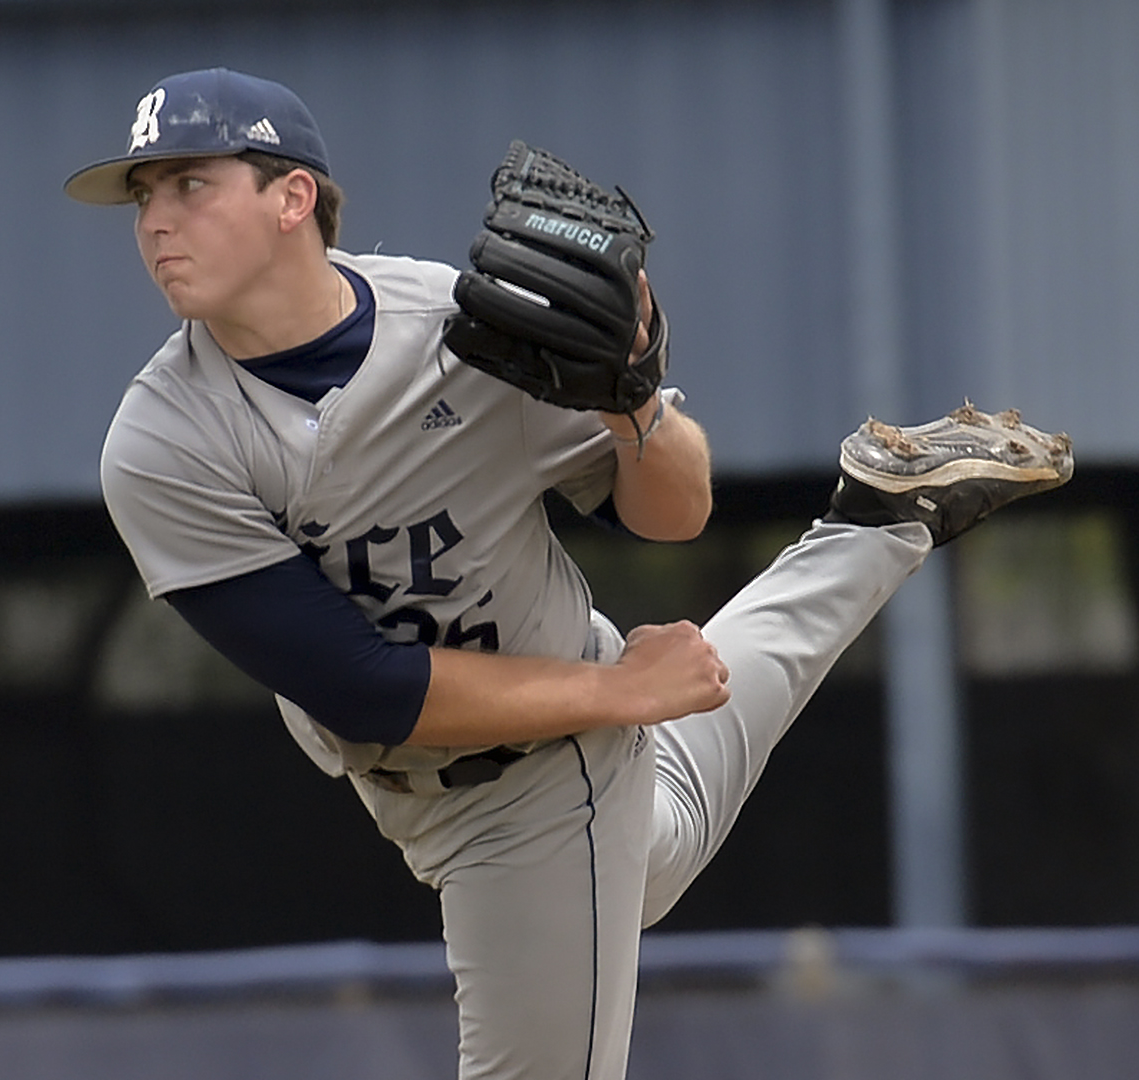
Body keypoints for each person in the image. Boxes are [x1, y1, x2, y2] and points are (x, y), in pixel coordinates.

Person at [65, 66, 1071, 1080]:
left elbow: (673, 514)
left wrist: (633, 401)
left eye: (191, 183)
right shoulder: (162, 444)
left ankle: (852, 542)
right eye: (144, 193)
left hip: (538, 781)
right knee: (670, 815)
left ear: (292, 198)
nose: (156, 218)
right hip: (471, 755)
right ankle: (874, 521)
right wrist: (623, 694)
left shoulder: (462, 335)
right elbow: (357, 687)